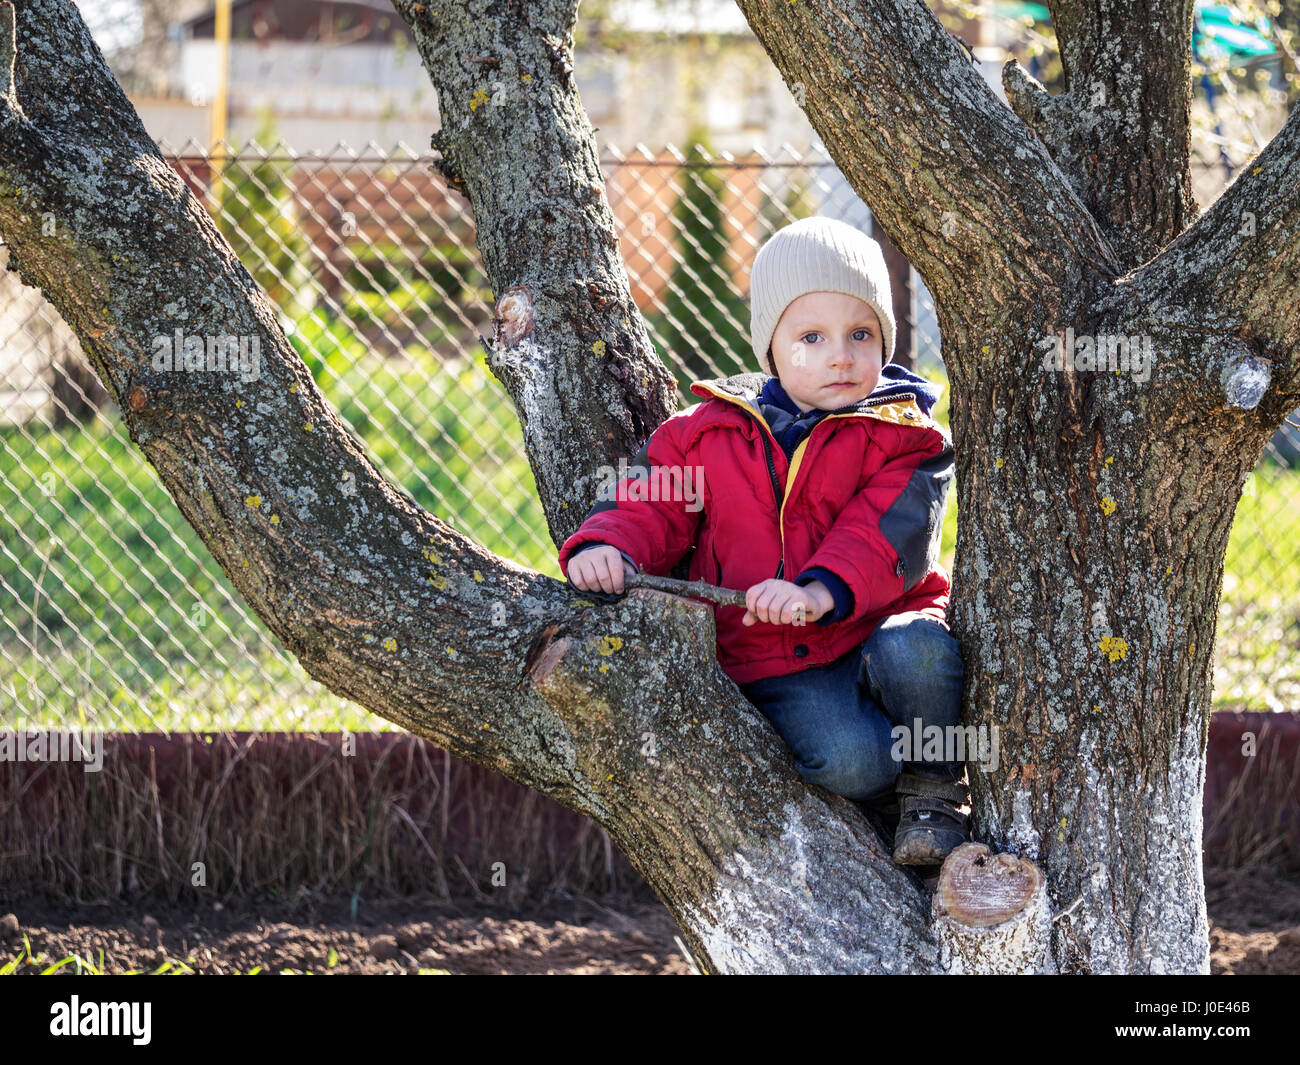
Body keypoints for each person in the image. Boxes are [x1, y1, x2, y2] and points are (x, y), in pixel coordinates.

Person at [558, 216, 969, 866]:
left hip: (875, 622)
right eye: (812, 336)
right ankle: (883, 784)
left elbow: (889, 530)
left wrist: (817, 588)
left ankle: (935, 789)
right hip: (778, 658)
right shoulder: (707, 433)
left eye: (861, 334)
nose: (841, 354)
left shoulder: (907, 435)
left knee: (919, 654)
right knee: (852, 761)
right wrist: (608, 544)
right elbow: (653, 498)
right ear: (770, 347)